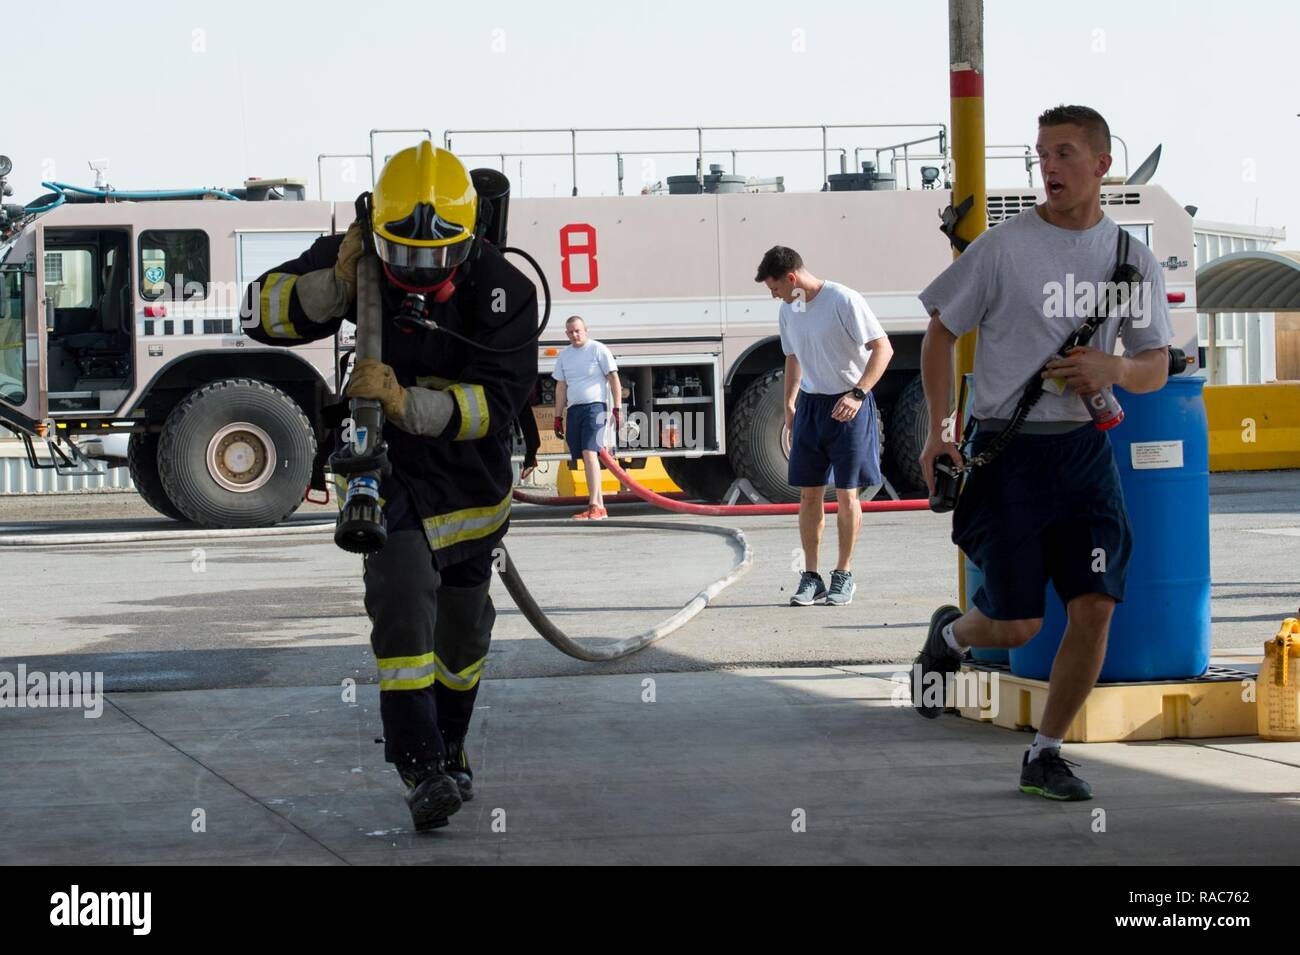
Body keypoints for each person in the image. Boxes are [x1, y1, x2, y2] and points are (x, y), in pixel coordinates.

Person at [242, 142, 538, 830]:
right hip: (391, 471)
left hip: (471, 481)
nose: (417, 273)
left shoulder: (506, 290)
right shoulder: (363, 252)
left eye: (437, 260)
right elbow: (260, 312)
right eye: (402, 256)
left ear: (469, 239)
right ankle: (421, 764)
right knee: (403, 601)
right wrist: (333, 286)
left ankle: (452, 744)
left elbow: (496, 404)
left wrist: (408, 403)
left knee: (462, 639)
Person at [913, 105, 1173, 800]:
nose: (1048, 167)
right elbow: (939, 333)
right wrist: (938, 430)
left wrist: (1114, 371)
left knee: (1095, 606)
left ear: (1100, 165)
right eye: (1040, 155)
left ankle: (1045, 753)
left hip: (1084, 456)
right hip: (1010, 453)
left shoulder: (1130, 259)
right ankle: (953, 638)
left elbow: (1157, 363)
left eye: (1063, 153)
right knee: (1020, 619)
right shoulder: (1002, 249)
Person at [755, 246, 893, 607]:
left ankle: (843, 574)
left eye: (775, 288)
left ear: (792, 278)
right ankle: (811, 577)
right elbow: (793, 356)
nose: (774, 296)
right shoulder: (789, 310)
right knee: (808, 493)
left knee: (847, 494)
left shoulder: (843, 300)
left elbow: (883, 349)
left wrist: (858, 393)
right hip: (812, 408)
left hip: (848, 404)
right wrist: (789, 402)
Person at [552, 316, 621, 520]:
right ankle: (599, 506)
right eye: (570, 332)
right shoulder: (564, 356)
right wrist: (558, 416)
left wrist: (616, 408)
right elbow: (561, 387)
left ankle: (594, 505)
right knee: (583, 456)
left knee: (590, 453)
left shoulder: (598, 350)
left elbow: (613, 378)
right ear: (566, 334)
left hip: (595, 409)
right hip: (574, 410)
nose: (574, 335)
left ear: (585, 330)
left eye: (577, 331)